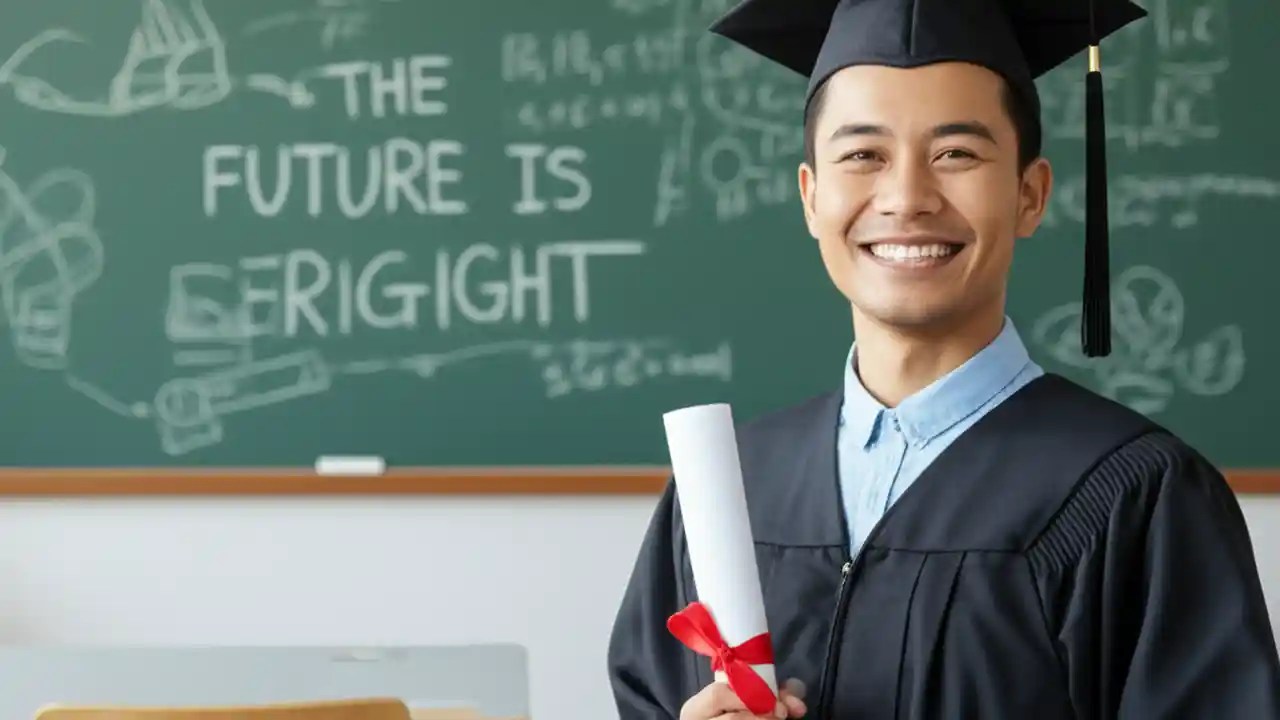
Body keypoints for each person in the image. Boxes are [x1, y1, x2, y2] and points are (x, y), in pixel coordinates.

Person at [606, 0, 1280, 717]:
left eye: (956, 154)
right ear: (810, 197)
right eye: (863, 155)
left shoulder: (1137, 495)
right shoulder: (723, 491)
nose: (906, 198)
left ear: (1030, 194)